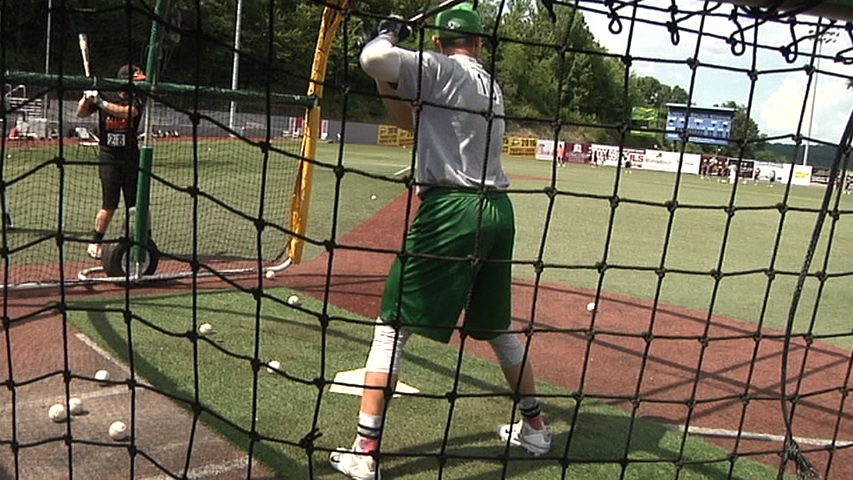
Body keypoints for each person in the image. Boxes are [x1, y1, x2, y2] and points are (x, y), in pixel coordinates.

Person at [330, 4, 552, 479]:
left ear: (437, 42)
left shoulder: (438, 68)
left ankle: (365, 451)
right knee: (497, 326)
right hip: (496, 212)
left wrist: (387, 34)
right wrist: (388, 78)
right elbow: (414, 122)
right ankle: (536, 427)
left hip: (450, 210)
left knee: (392, 326)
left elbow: (373, 59)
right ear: (478, 43)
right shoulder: (488, 84)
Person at [76, 64, 146, 259]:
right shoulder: (105, 93)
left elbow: (127, 112)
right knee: (109, 204)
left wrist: (100, 103)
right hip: (109, 156)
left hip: (131, 155)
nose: (139, 84)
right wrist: (86, 98)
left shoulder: (138, 97)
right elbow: (80, 113)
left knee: (138, 205)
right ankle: (95, 242)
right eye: (135, 80)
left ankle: (145, 241)